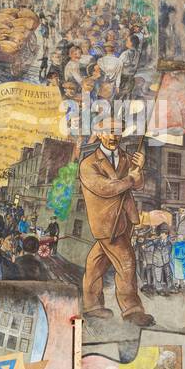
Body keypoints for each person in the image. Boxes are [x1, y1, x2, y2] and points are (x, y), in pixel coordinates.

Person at [77, 120, 154, 328]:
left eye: (117, 132)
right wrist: (130, 178)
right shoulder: (88, 164)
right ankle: (132, 311)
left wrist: (139, 169)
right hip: (105, 223)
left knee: (96, 264)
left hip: (124, 221)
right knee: (126, 263)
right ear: (99, 135)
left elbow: (138, 184)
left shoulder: (126, 158)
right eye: (109, 132)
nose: (113, 136)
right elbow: (104, 188)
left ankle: (92, 307)